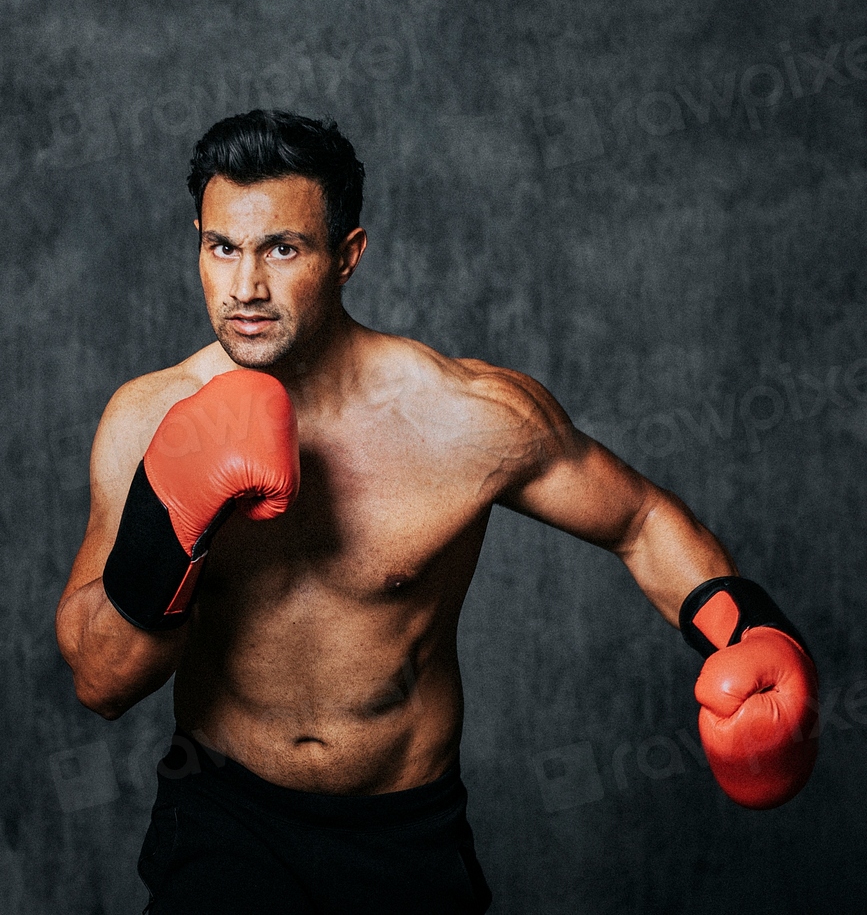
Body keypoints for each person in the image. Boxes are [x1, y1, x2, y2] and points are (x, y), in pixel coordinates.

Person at [55, 110, 819, 914]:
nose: (246, 287)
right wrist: (169, 525)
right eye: (222, 248)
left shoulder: (463, 417)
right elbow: (101, 682)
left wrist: (750, 633)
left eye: (282, 249)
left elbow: (638, 521)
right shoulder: (148, 418)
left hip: (402, 835)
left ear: (347, 255)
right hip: (221, 819)